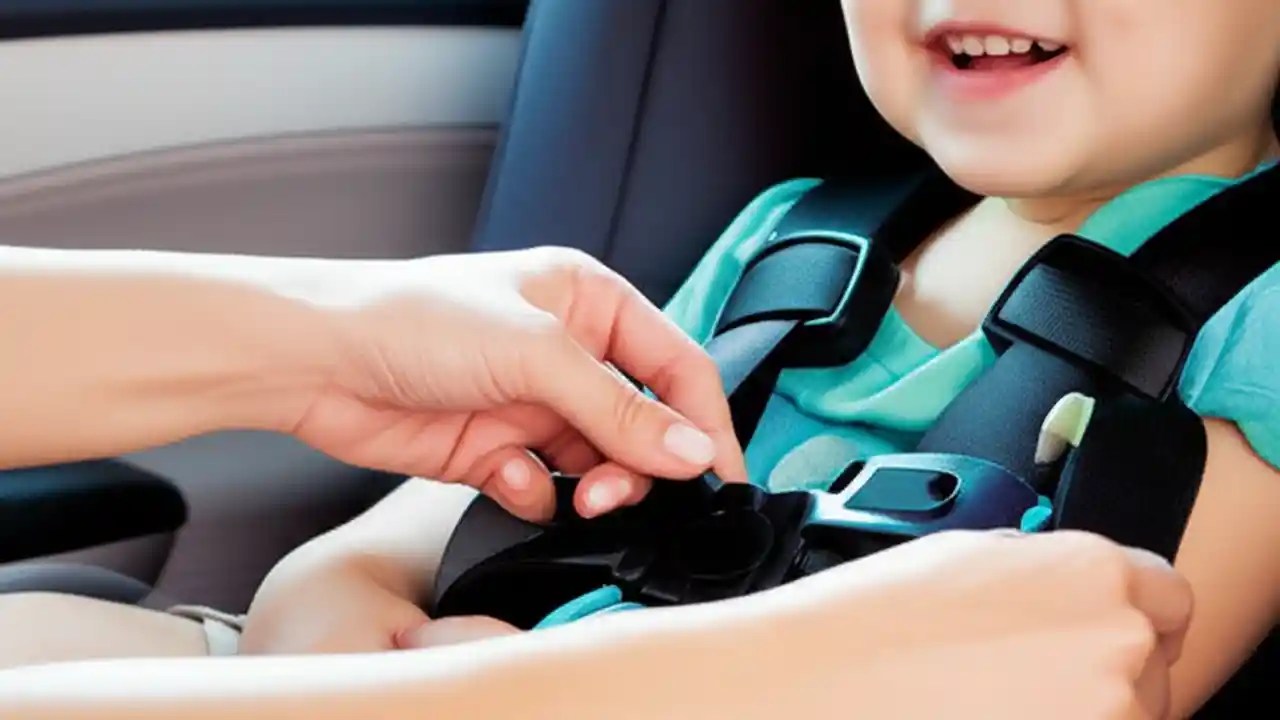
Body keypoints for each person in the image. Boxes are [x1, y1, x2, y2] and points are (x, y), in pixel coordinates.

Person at [0, 244, 1190, 719]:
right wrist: (348, 643)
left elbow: (1113, 662)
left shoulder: (1239, 329)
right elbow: (359, 559)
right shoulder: (788, 245)